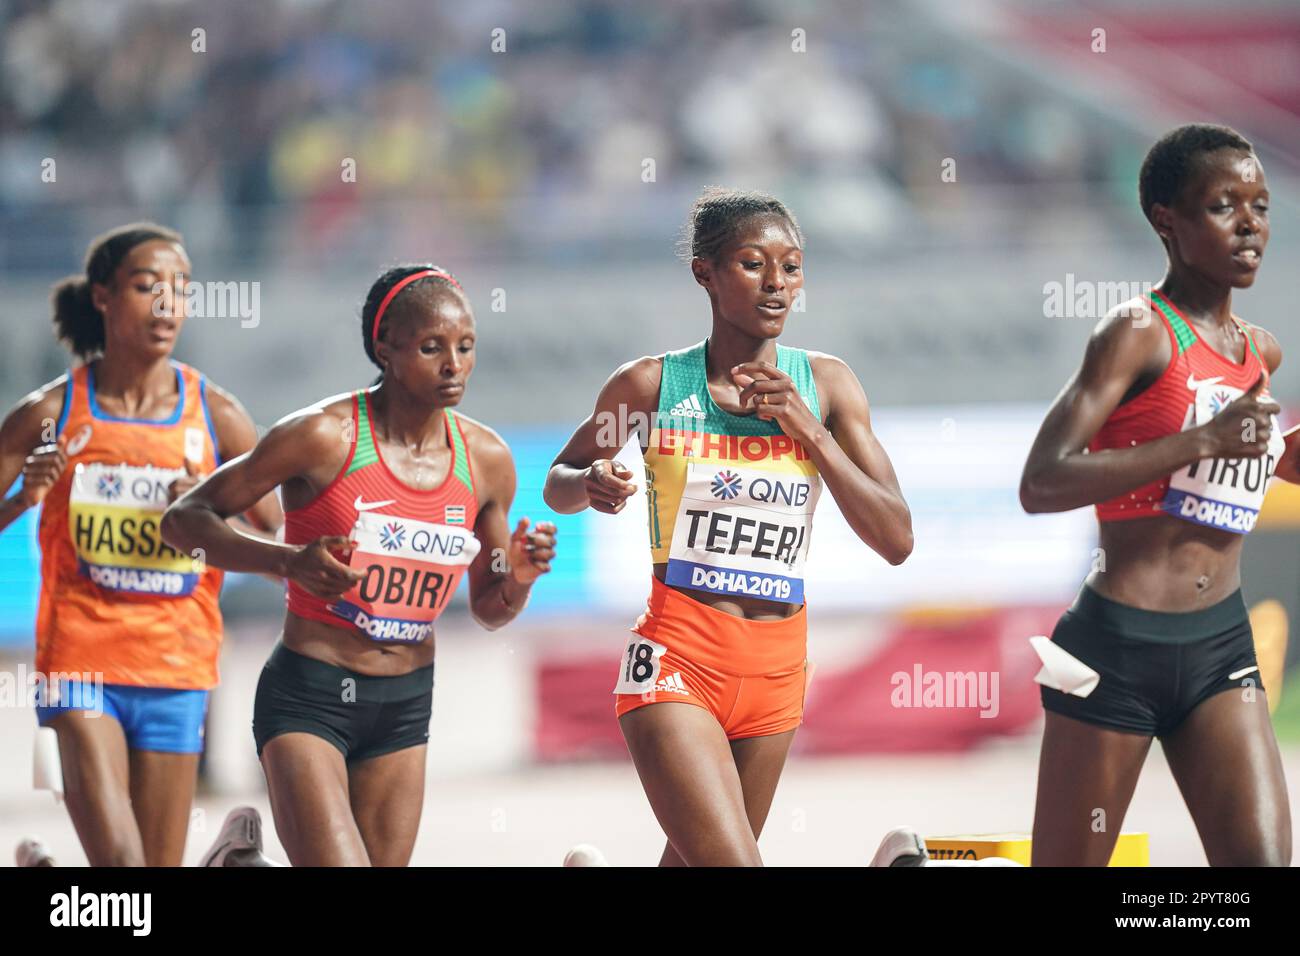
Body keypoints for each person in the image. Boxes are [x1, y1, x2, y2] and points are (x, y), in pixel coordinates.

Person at [544, 188, 913, 866]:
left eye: (792, 266)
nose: (777, 283)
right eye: (752, 263)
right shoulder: (649, 388)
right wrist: (589, 485)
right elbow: (559, 479)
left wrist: (811, 433)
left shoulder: (828, 387)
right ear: (705, 273)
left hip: (777, 669)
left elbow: (896, 540)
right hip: (677, 658)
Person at [162, 265, 556, 866]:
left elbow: (490, 608)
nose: (454, 364)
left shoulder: (487, 460)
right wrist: (290, 561)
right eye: (431, 348)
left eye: (466, 346)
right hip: (308, 695)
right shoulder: (321, 436)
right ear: (386, 349)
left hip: (404, 705)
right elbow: (184, 520)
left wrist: (520, 577)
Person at [1020, 124, 1293, 866]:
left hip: (1221, 653)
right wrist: (1204, 441)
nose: (1250, 224)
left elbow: (1259, 459)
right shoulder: (1137, 333)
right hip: (1116, 655)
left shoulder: (1258, 351)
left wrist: (1271, 452)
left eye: (1261, 206)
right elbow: (1041, 481)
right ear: (1167, 220)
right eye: (1224, 205)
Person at [0, 223, 281, 866]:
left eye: (180, 290)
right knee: (125, 874)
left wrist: (204, 509)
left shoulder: (217, 414)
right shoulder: (52, 413)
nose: (166, 306)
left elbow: (276, 547)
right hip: (82, 662)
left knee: (147, 896)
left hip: (176, 666)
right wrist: (23, 497)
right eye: (146, 286)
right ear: (102, 296)